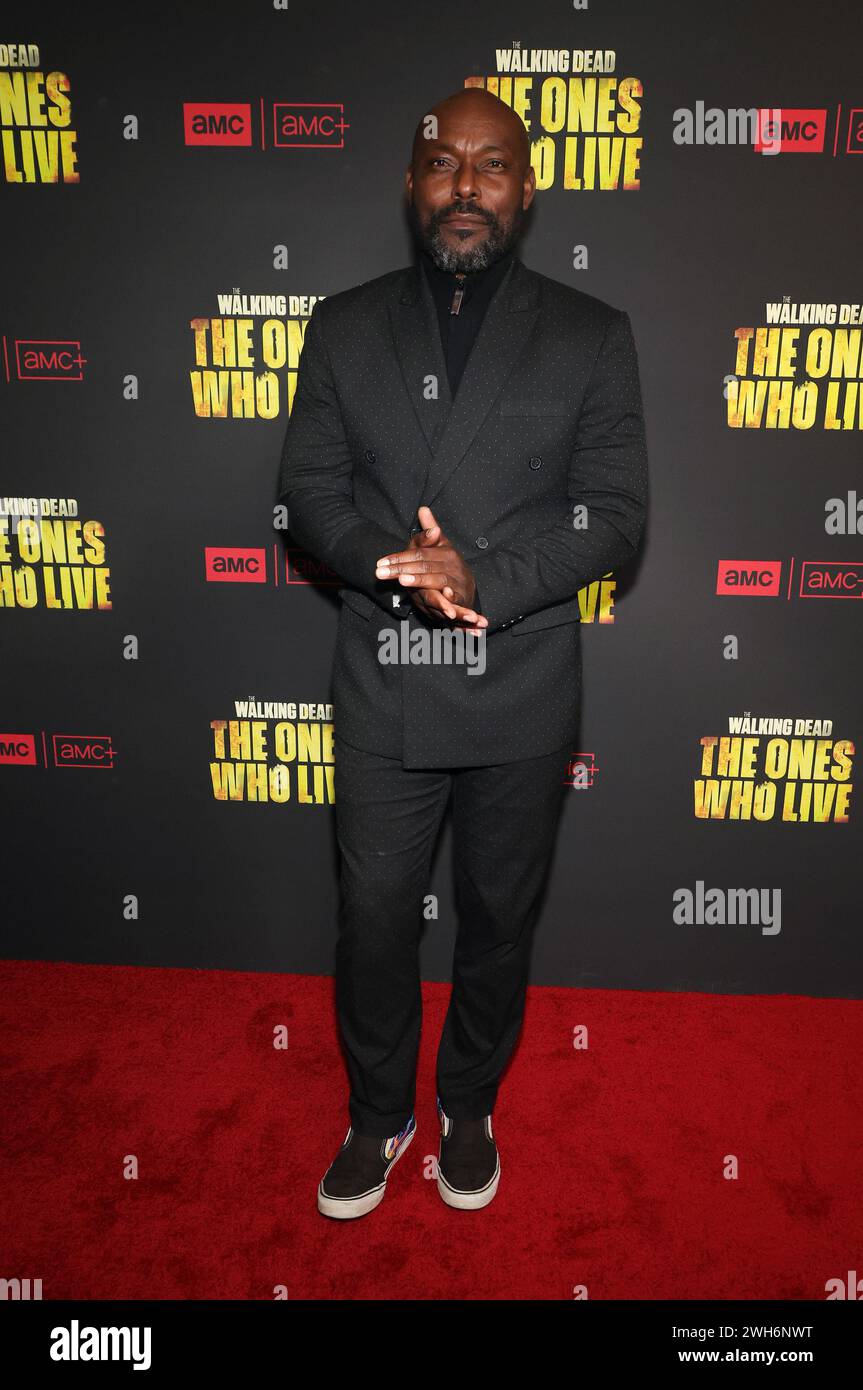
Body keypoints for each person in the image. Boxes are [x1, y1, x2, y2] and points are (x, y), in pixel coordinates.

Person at [277, 86, 648, 1219]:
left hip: (518, 681)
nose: (466, 186)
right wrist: (393, 561)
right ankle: (379, 1112)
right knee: (376, 913)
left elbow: (613, 515)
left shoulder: (590, 333)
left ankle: (468, 1104)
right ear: (410, 183)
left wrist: (479, 575)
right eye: (444, 163)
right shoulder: (344, 324)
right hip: (385, 674)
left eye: (492, 167)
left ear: (524, 192)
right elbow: (304, 494)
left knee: (496, 917)